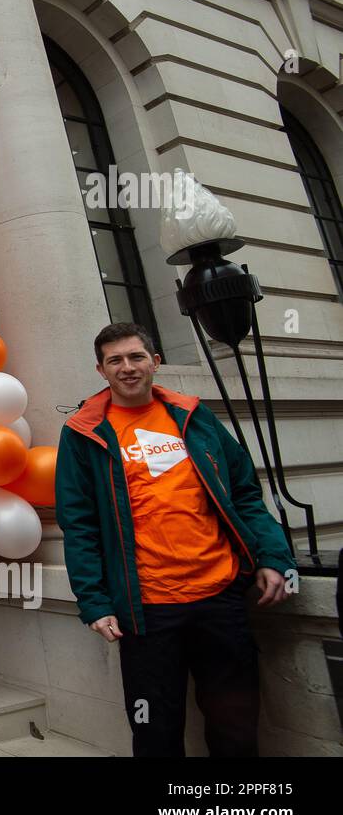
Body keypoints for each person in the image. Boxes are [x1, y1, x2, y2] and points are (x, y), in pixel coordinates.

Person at [55, 322, 295, 757]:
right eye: (115, 360)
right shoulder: (83, 433)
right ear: (101, 370)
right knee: (155, 733)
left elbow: (244, 492)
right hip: (146, 610)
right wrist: (94, 600)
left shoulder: (194, 416)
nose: (127, 367)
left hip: (221, 597)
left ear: (155, 361)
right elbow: (79, 523)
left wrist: (273, 557)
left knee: (236, 728)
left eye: (136, 357)